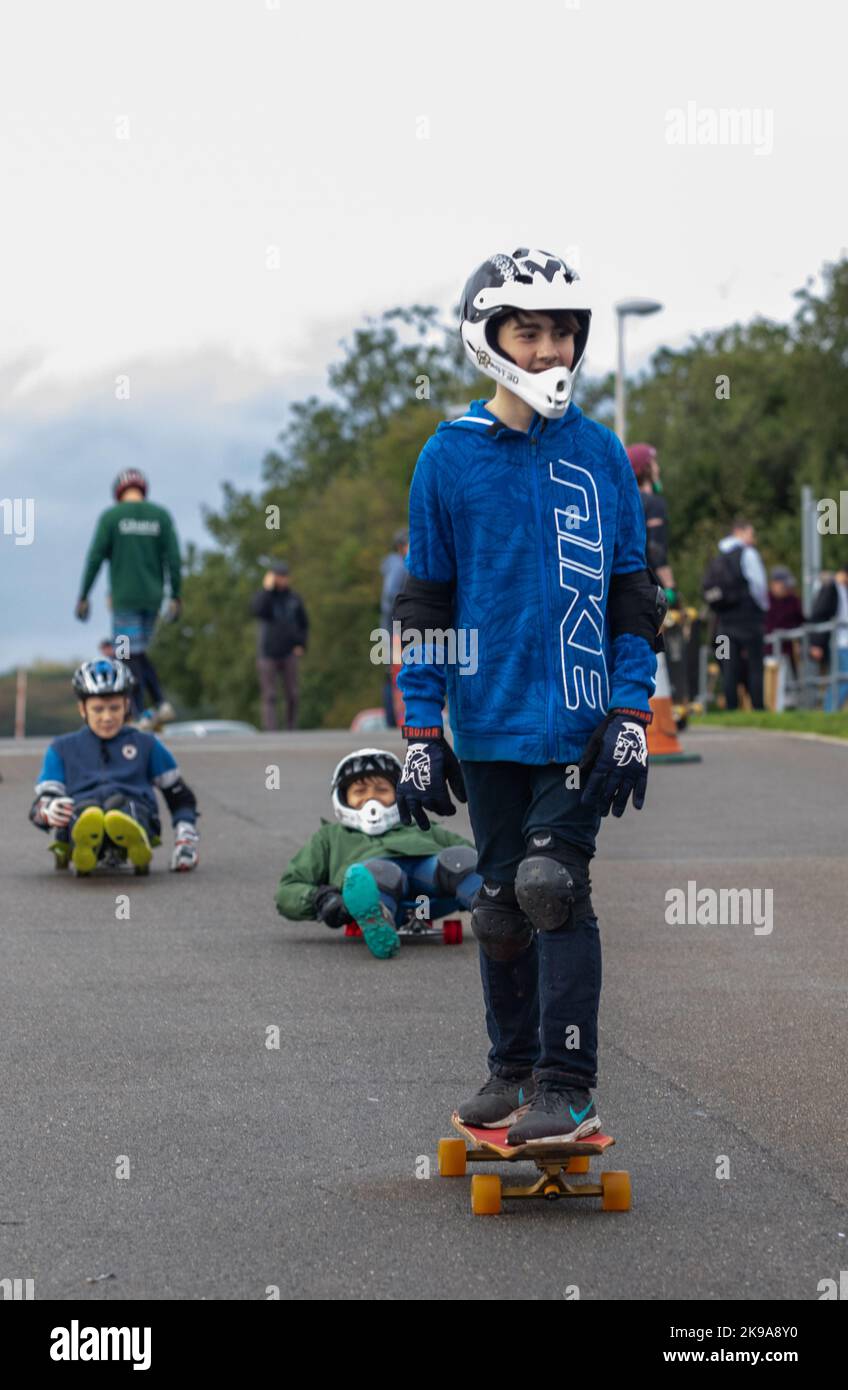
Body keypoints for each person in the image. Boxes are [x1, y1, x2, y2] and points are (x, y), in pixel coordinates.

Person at [393, 247, 663, 1141]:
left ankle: (567, 1082)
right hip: (485, 725)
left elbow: (633, 590)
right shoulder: (449, 458)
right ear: (490, 336)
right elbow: (427, 600)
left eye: (562, 332)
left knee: (553, 885)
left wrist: (631, 714)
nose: (550, 350)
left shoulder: (600, 454)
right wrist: (423, 731)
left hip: (581, 725)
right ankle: (510, 1072)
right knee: (500, 900)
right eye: (530, 330)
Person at [274, 748, 479, 959]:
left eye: (381, 790)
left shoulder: (418, 825)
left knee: (459, 859)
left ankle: (490, 911)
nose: (371, 798)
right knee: (375, 874)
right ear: (343, 797)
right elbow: (287, 890)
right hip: (375, 878)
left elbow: (474, 856)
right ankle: (378, 919)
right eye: (360, 792)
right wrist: (323, 899)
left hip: (429, 881)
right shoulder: (330, 837)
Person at [29, 658, 200, 874]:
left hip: (135, 811)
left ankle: (132, 838)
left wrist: (185, 841)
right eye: (98, 709)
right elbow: (39, 805)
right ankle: (84, 847)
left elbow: (179, 795)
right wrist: (48, 811)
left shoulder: (146, 744)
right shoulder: (62, 748)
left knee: (121, 807)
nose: (107, 717)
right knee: (84, 811)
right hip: (80, 814)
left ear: (127, 705)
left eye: (114, 708)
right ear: (82, 709)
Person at [75, 470, 179, 730]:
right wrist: (176, 595)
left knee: (125, 655)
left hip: (125, 598)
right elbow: (174, 559)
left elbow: (95, 558)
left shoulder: (112, 517)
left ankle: (139, 712)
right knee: (138, 651)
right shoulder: (160, 516)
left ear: (118, 493)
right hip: (153, 599)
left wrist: (84, 595)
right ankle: (161, 703)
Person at [703, 520, 769, 710]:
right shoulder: (748, 554)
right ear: (740, 532)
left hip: (724, 623)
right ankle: (758, 706)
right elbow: (759, 585)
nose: (753, 539)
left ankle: (730, 707)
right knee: (756, 664)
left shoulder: (720, 556)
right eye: (751, 534)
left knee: (728, 666)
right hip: (749, 621)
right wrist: (763, 608)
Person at [250, 562, 308, 731]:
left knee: (292, 694)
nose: (281, 579)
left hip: (289, 651)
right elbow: (257, 610)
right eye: (278, 576)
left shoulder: (294, 599)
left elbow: (304, 624)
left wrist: (301, 644)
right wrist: (267, 590)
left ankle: (291, 727)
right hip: (267, 652)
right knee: (269, 695)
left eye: (284, 576)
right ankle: (271, 729)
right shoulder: (265, 598)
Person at [626, 443, 676, 602]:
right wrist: (670, 588)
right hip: (649, 585)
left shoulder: (625, 502)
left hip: (625, 584)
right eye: (654, 463)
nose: (657, 468)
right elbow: (656, 550)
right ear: (645, 469)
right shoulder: (654, 504)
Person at [379, 529, 409, 727]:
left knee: (393, 675)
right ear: (400, 547)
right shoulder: (399, 566)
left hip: (391, 628)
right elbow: (391, 596)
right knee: (398, 674)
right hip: (396, 629)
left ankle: (392, 720)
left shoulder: (395, 565)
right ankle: (395, 720)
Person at [809, 567, 848, 711]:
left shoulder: (842, 590)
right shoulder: (831, 588)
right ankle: (830, 710)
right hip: (838, 641)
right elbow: (819, 615)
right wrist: (816, 643)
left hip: (843, 641)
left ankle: (831, 710)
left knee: (841, 678)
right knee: (842, 678)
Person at [765, 566, 804, 678]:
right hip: (767, 654)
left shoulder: (793, 600)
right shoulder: (763, 600)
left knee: (790, 689)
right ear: (774, 584)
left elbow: (801, 622)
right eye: (783, 585)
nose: (787, 588)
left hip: (787, 654)